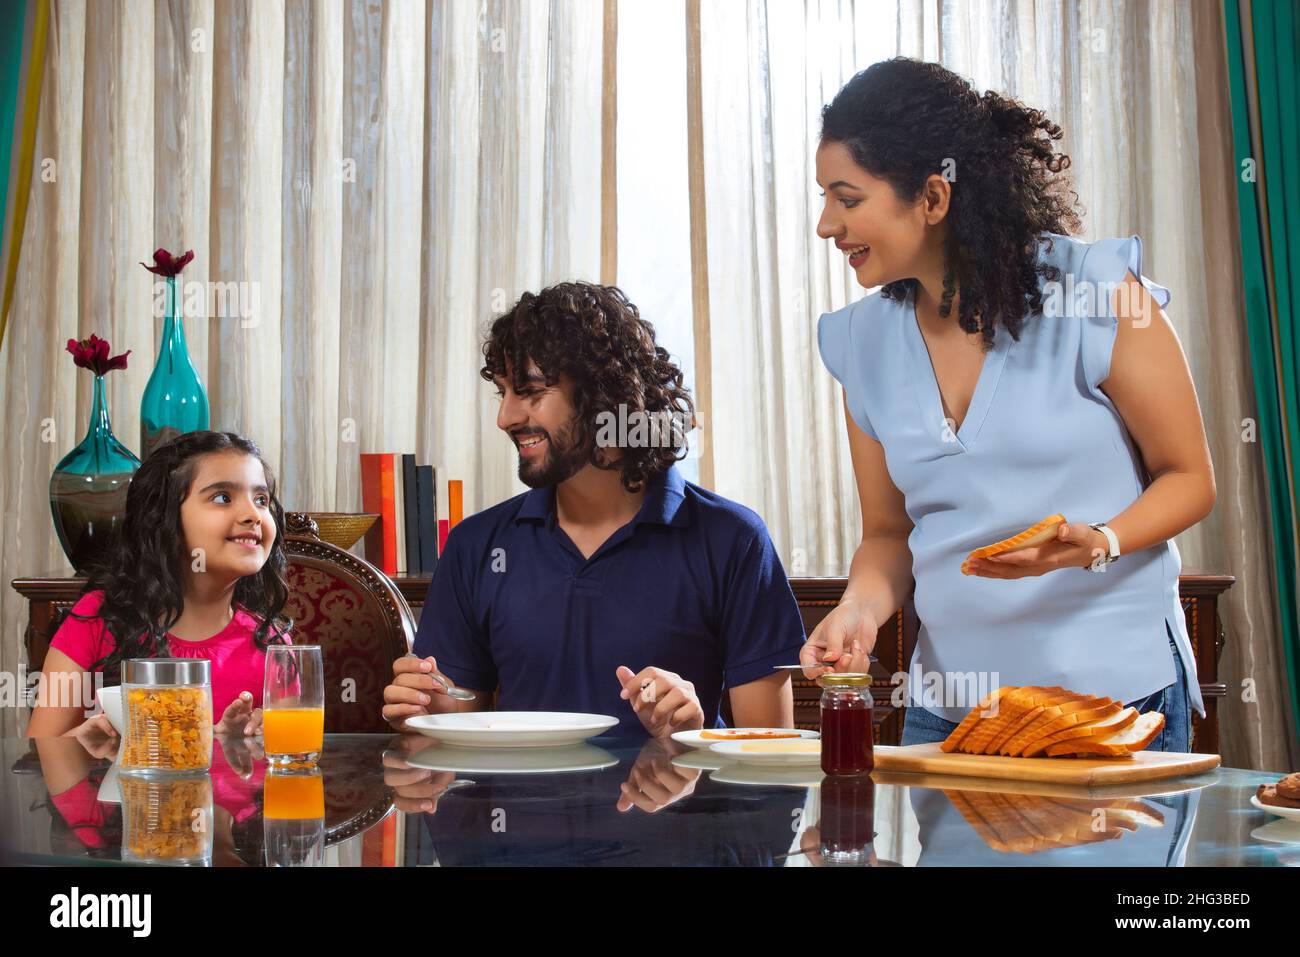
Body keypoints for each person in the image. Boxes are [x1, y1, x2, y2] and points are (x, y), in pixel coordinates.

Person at [800, 58, 1215, 751]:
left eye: (847, 199)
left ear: (933, 196)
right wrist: (857, 612)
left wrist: (1100, 542)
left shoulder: (1097, 293)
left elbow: (1190, 478)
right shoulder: (858, 342)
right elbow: (887, 535)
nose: (825, 224)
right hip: (955, 716)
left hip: (1112, 705)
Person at [383, 282, 805, 737]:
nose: (505, 417)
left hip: (682, 808)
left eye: (530, 392)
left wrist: (690, 737)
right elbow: (456, 748)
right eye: (503, 393)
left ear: (604, 396)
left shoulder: (732, 539)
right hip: (522, 811)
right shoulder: (475, 545)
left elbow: (771, 762)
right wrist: (427, 716)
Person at [27, 431, 293, 740]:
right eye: (222, 497)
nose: (253, 515)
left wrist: (246, 743)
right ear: (164, 520)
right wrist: (84, 744)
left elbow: (290, 768)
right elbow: (42, 755)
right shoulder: (95, 619)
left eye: (261, 500)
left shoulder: (272, 645)